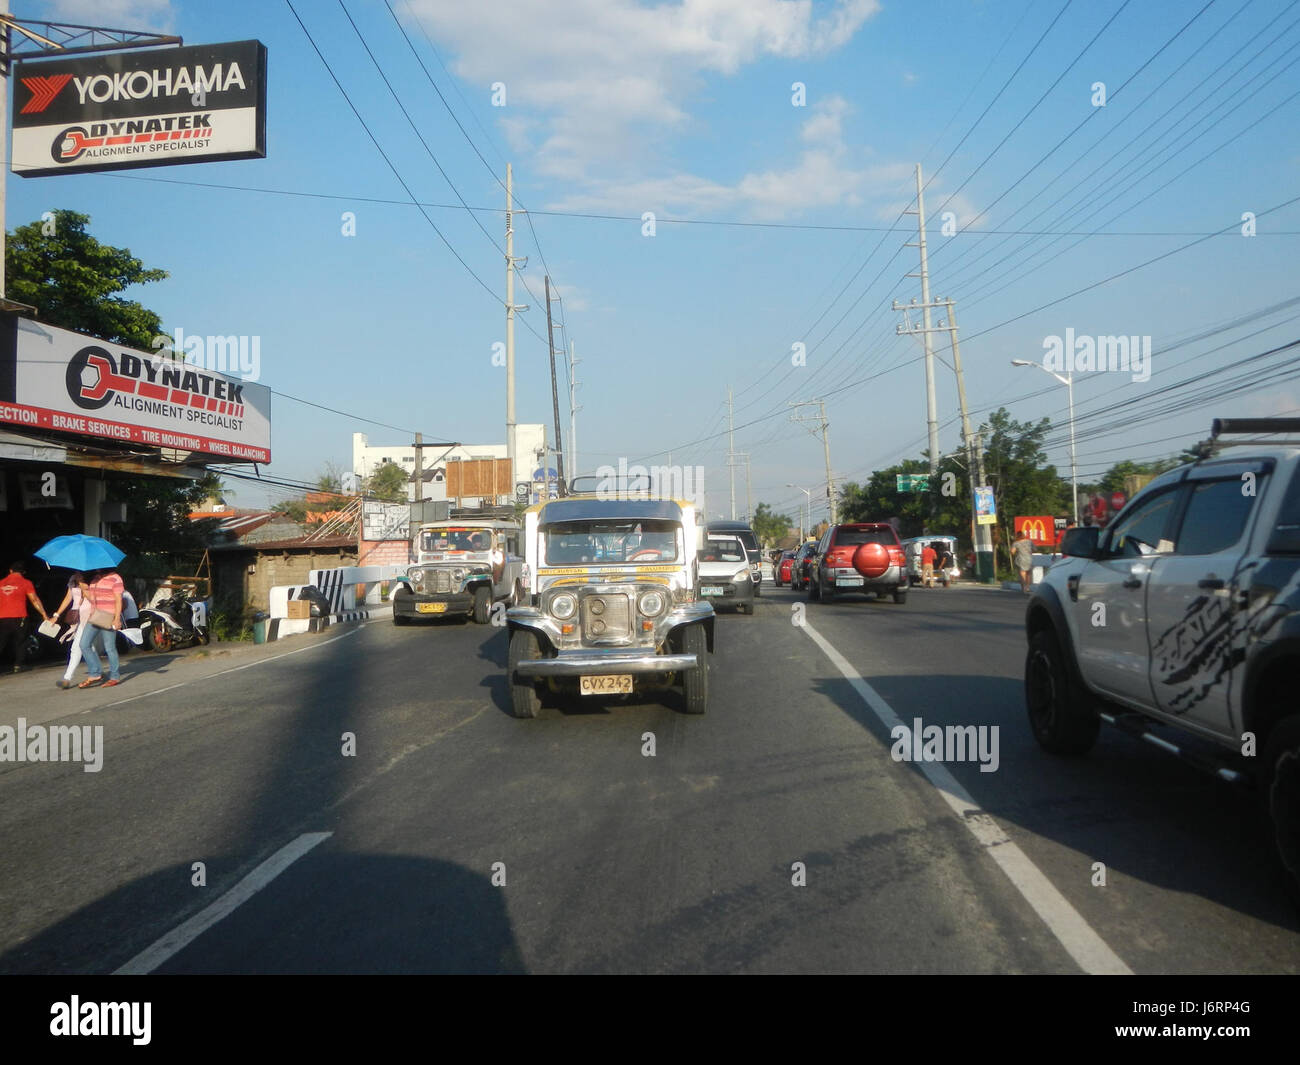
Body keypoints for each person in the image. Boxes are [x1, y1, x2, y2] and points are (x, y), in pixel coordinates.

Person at [0, 560, 50, 673]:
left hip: (2, 617)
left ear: (10, 571)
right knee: (21, 641)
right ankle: (18, 665)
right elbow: (34, 599)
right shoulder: (25, 582)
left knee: (1, 641)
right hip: (20, 616)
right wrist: (44, 614)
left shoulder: (1, 583)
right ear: (23, 572)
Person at [79, 567, 125, 688]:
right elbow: (92, 598)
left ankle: (114, 676)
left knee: (109, 647)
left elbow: (118, 600)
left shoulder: (116, 579)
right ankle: (95, 672)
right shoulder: (95, 578)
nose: (96, 568)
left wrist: (117, 618)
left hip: (108, 615)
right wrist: (83, 588)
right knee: (84, 644)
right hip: (95, 616)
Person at [52, 572, 92, 689]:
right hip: (76, 616)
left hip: (88, 615)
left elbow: (95, 598)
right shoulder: (73, 579)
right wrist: (56, 614)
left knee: (79, 646)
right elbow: (68, 598)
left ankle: (67, 678)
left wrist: (85, 588)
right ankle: (96, 671)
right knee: (84, 646)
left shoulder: (91, 579)